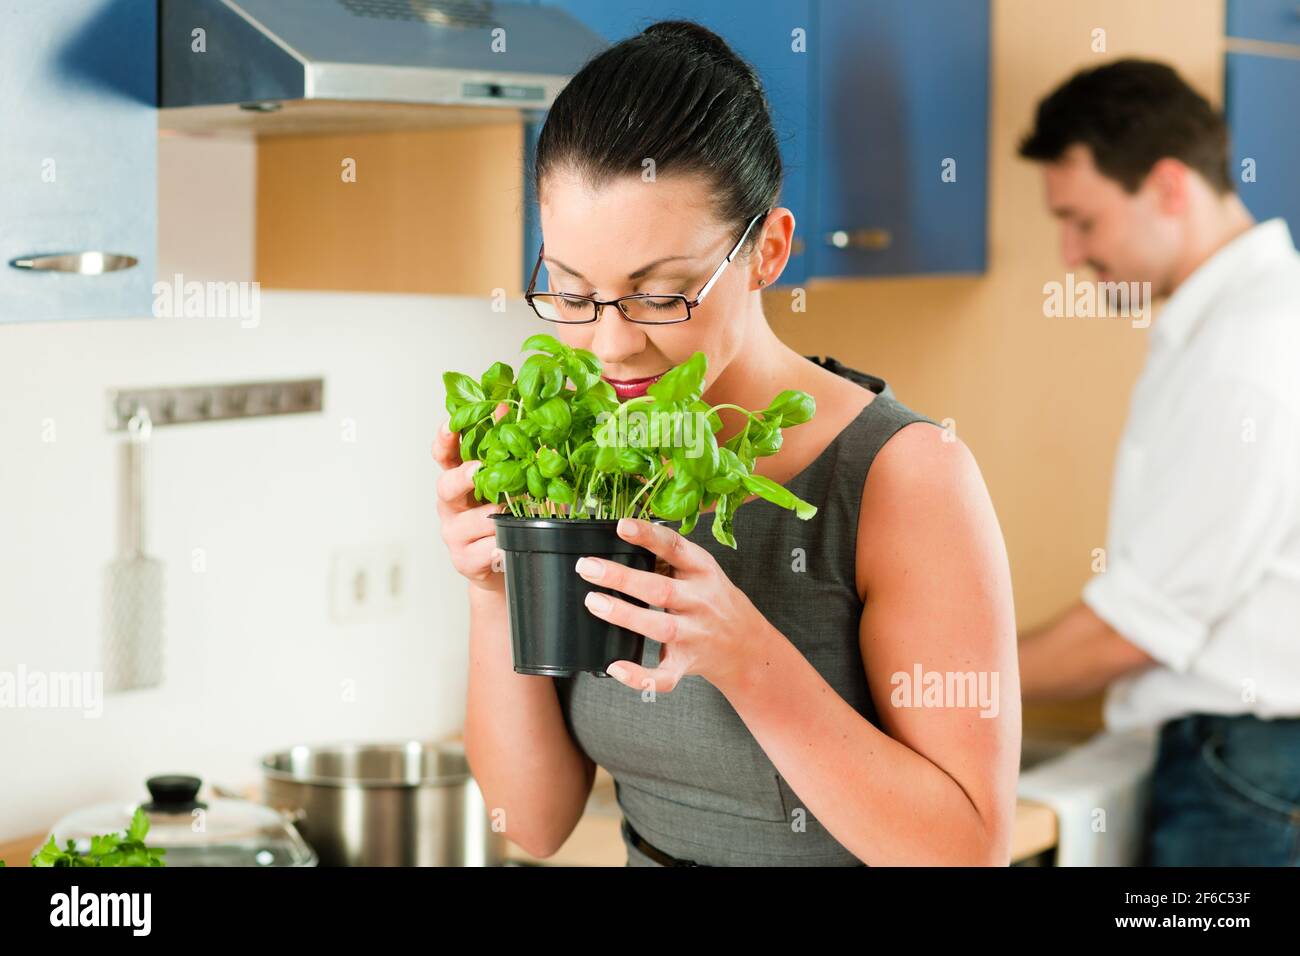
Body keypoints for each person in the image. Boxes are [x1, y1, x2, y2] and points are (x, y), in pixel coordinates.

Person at [434, 20, 1019, 866]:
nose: (609, 347)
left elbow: (971, 852)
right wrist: (494, 590)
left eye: (661, 293)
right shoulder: (586, 464)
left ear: (767, 251)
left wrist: (747, 660)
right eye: (570, 291)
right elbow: (531, 823)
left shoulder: (907, 477)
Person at [1016, 59, 1300, 866]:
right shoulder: (1255, 318)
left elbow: (1134, 629)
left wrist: (930, 677)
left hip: (1241, 775)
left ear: (1170, 187)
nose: (1071, 254)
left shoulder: (1245, 352)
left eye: (1083, 220)